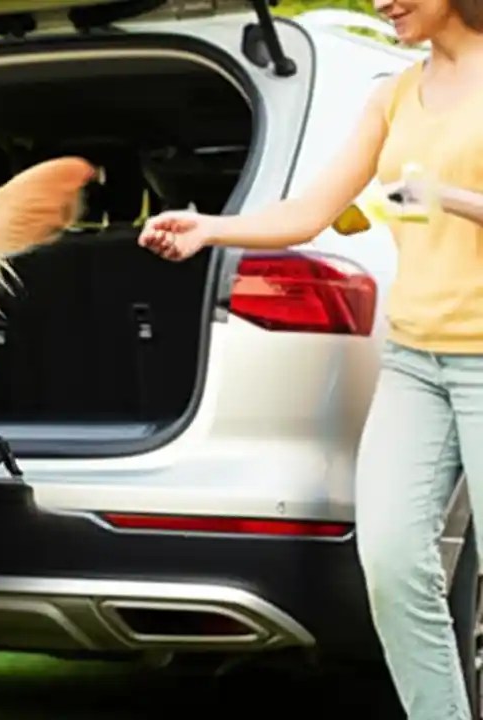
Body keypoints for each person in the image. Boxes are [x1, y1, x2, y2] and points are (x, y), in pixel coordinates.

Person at [136, 0, 483, 715]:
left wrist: (444, 195)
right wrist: (210, 228)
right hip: (416, 363)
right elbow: (310, 210)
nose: (385, 1)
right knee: (390, 564)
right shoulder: (391, 94)